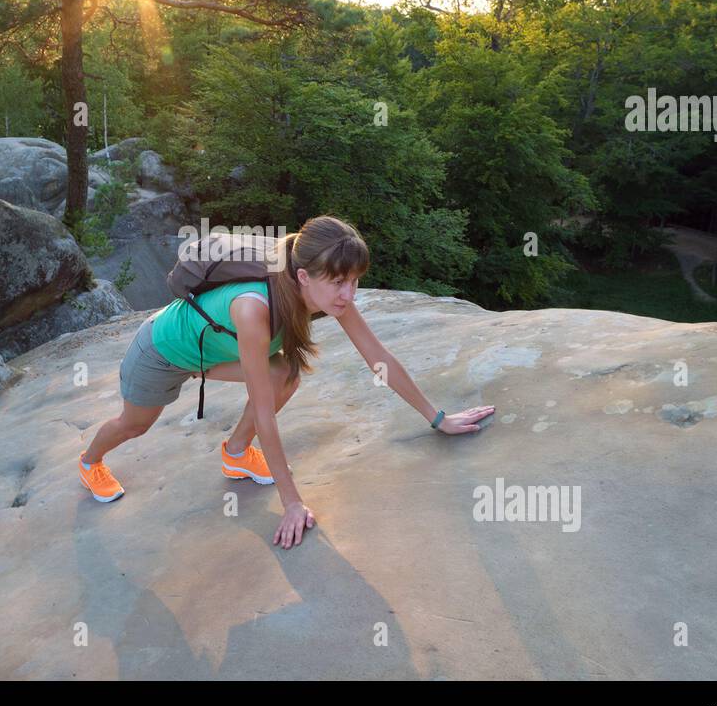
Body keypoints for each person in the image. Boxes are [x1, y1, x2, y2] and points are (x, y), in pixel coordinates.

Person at [78, 214, 495, 549]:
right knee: (134, 425)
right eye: (338, 282)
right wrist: (292, 503)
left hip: (212, 352)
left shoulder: (324, 289)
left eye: (354, 280)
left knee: (285, 374)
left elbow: (378, 357)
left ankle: (235, 454)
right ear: (303, 277)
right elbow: (264, 413)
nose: (348, 294)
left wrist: (437, 417)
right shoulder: (253, 310)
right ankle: (89, 461)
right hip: (162, 352)